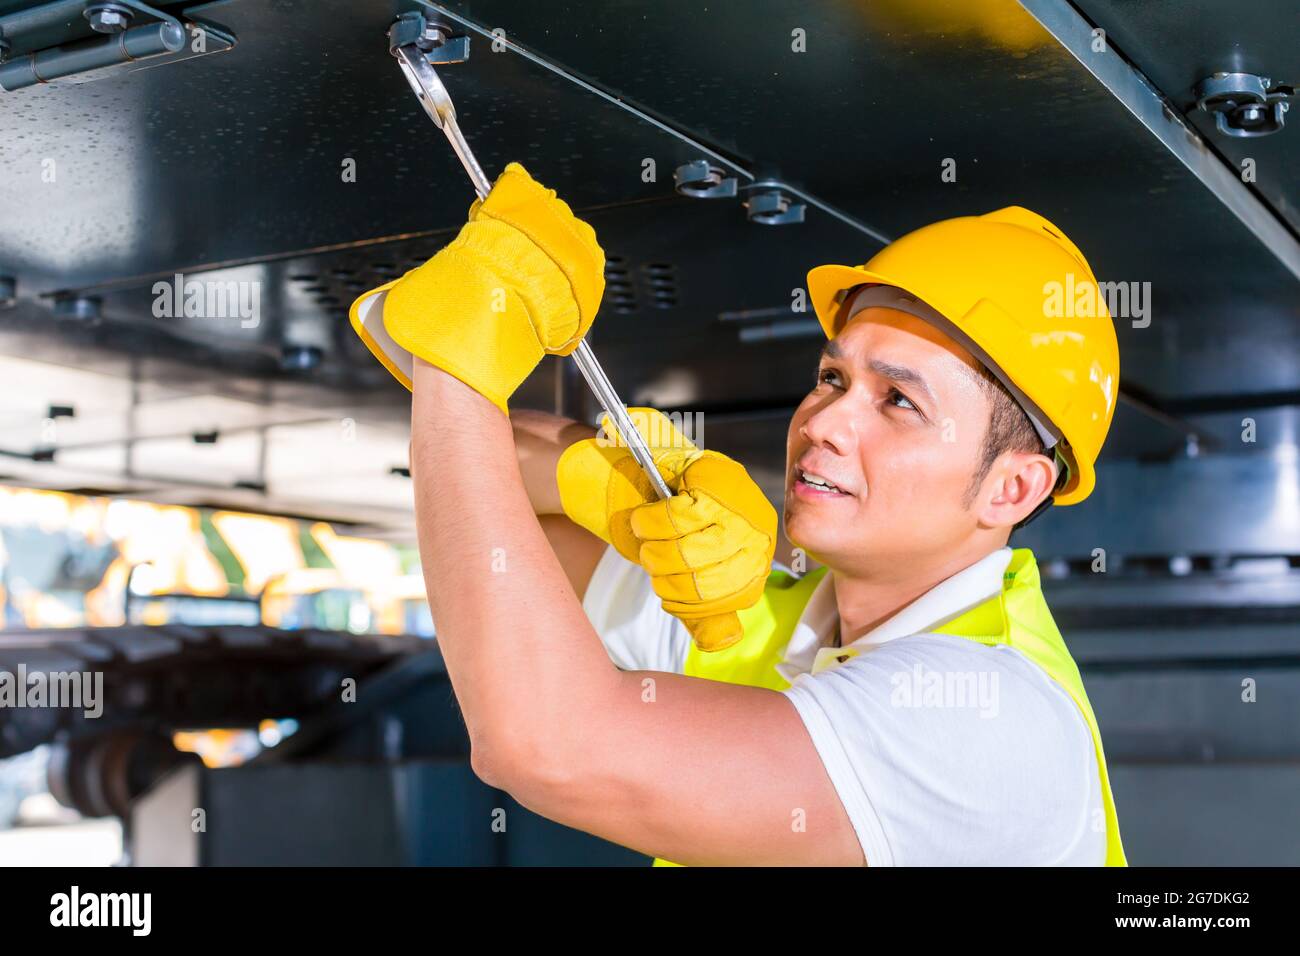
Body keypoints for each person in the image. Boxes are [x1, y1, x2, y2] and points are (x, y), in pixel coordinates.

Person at [350, 162, 1125, 866]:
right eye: (831, 376)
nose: (822, 422)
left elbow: (546, 745)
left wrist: (452, 362)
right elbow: (496, 507)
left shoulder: (987, 716)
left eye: (898, 400)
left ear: (1012, 490)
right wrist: (612, 487)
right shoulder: (763, 624)